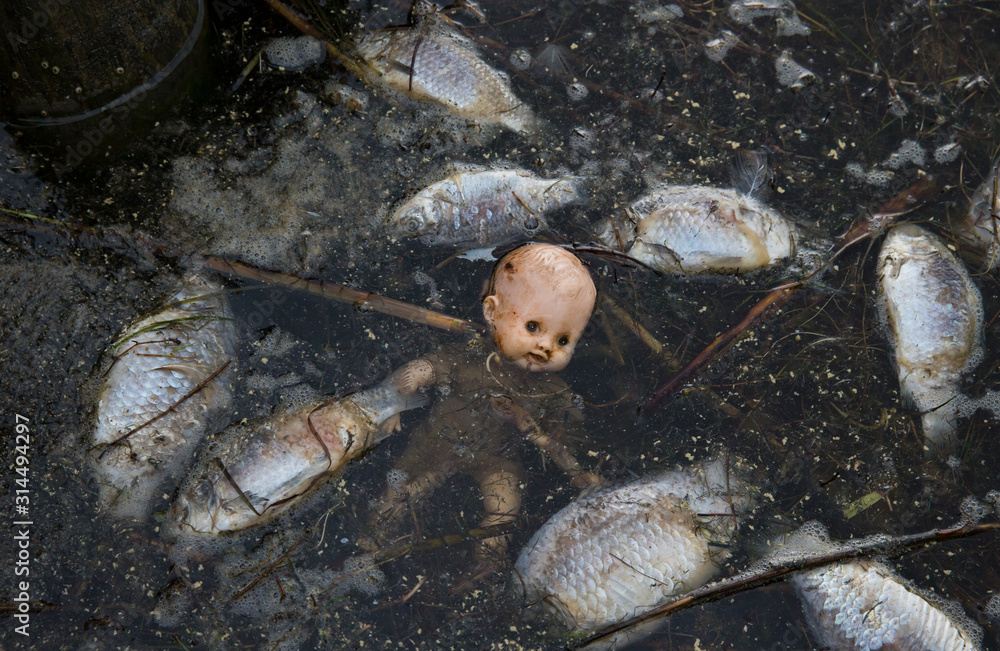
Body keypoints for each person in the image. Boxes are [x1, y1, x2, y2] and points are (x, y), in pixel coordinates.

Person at [361, 243, 600, 570]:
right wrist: (396, 402)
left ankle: (488, 557)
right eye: (532, 327)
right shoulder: (470, 361)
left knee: (505, 508)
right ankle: (375, 537)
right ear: (492, 312)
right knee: (400, 488)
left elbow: (564, 427)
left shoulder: (550, 389)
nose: (546, 346)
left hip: (496, 457)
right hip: (439, 441)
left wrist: (574, 463)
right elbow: (422, 369)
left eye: (563, 340)